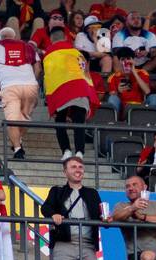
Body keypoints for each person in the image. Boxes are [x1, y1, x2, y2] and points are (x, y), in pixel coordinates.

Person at [41, 155, 104, 260]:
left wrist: (106, 218)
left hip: (88, 244)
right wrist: (54, 214)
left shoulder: (92, 193)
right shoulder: (57, 191)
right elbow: (45, 208)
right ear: (65, 172)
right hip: (64, 243)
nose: (78, 170)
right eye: (73, 167)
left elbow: (100, 213)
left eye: (80, 167)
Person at [41, 26, 101, 160]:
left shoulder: (49, 54)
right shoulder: (77, 52)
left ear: (51, 39)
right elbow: (85, 72)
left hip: (61, 90)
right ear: (65, 37)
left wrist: (50, 98)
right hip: (80, 88)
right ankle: (80, 152)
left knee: (60, 121)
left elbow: (49, 77)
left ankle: (66, 151)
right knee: (79, 121)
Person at [0, 26, 41, 160]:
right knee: (23, 119)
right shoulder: (28, 47)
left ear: (0, 39)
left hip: (9, 88)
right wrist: (32, 81)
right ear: (14, 37)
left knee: (12, 121)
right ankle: (18, 141)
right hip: (30, 86)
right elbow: (38, 68)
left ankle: (18, 149)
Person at [105, 52, 153, 119]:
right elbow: (112, 97)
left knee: (154, 97)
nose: (126, 61)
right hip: (123, 108)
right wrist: (118, 91)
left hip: (140, 106)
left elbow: (147, 91)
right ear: (119, 62)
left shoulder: (142, 72)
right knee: (112, 98)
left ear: (133, 60)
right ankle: (113, 122)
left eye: (128, 59)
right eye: (123, 59)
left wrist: (134, 72)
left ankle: (152, 122)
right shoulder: (113, 77)